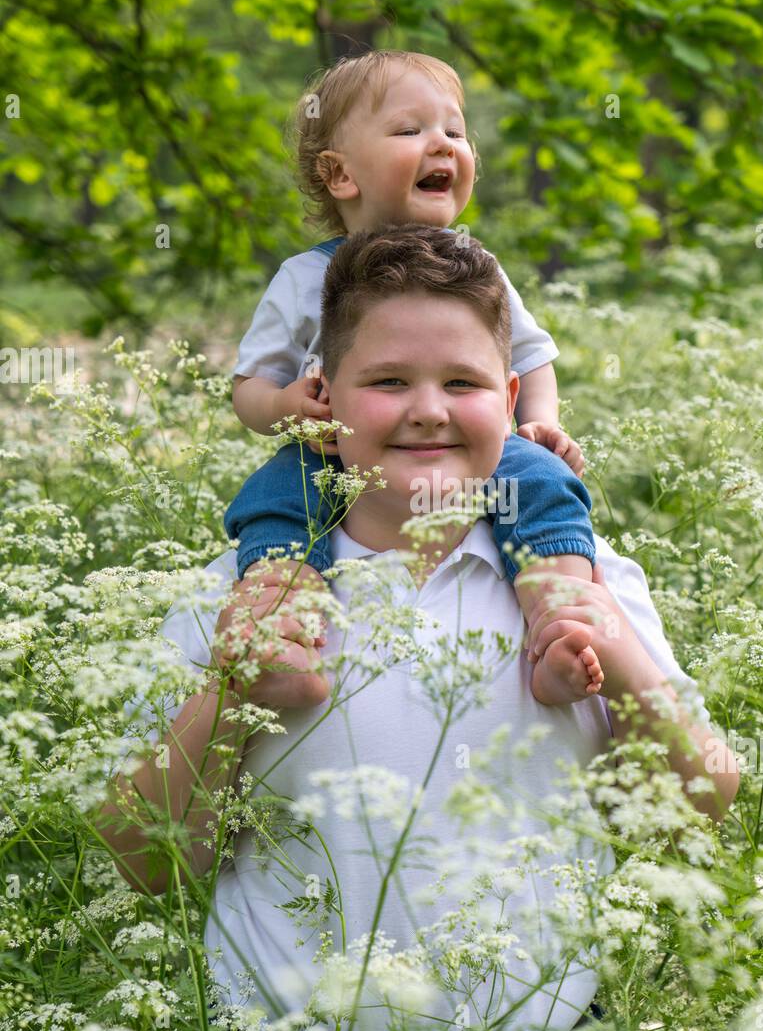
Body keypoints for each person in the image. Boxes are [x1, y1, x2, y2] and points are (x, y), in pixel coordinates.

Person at [92, 225, 740, 1031]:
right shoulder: (243, 591)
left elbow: (703, 800)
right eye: (388, 383)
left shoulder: (577, 577)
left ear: (512, 400)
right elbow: (141, 857)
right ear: (322, 404)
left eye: (464, 384)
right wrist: (234, 695)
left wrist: (615, 649)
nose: (427, 411)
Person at [226, 48, 602, 704]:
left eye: (455, 132)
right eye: (411, 131)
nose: (443, 145)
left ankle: (561, 627)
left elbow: (531, 357)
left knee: (543, 482)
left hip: (471, 448)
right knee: (275, 503)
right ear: (340, 174)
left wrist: (542, 423)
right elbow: (249, 389)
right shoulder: (303, 278)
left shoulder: (474, 269)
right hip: (331, 450)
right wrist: (287, 406)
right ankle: (279, 636)